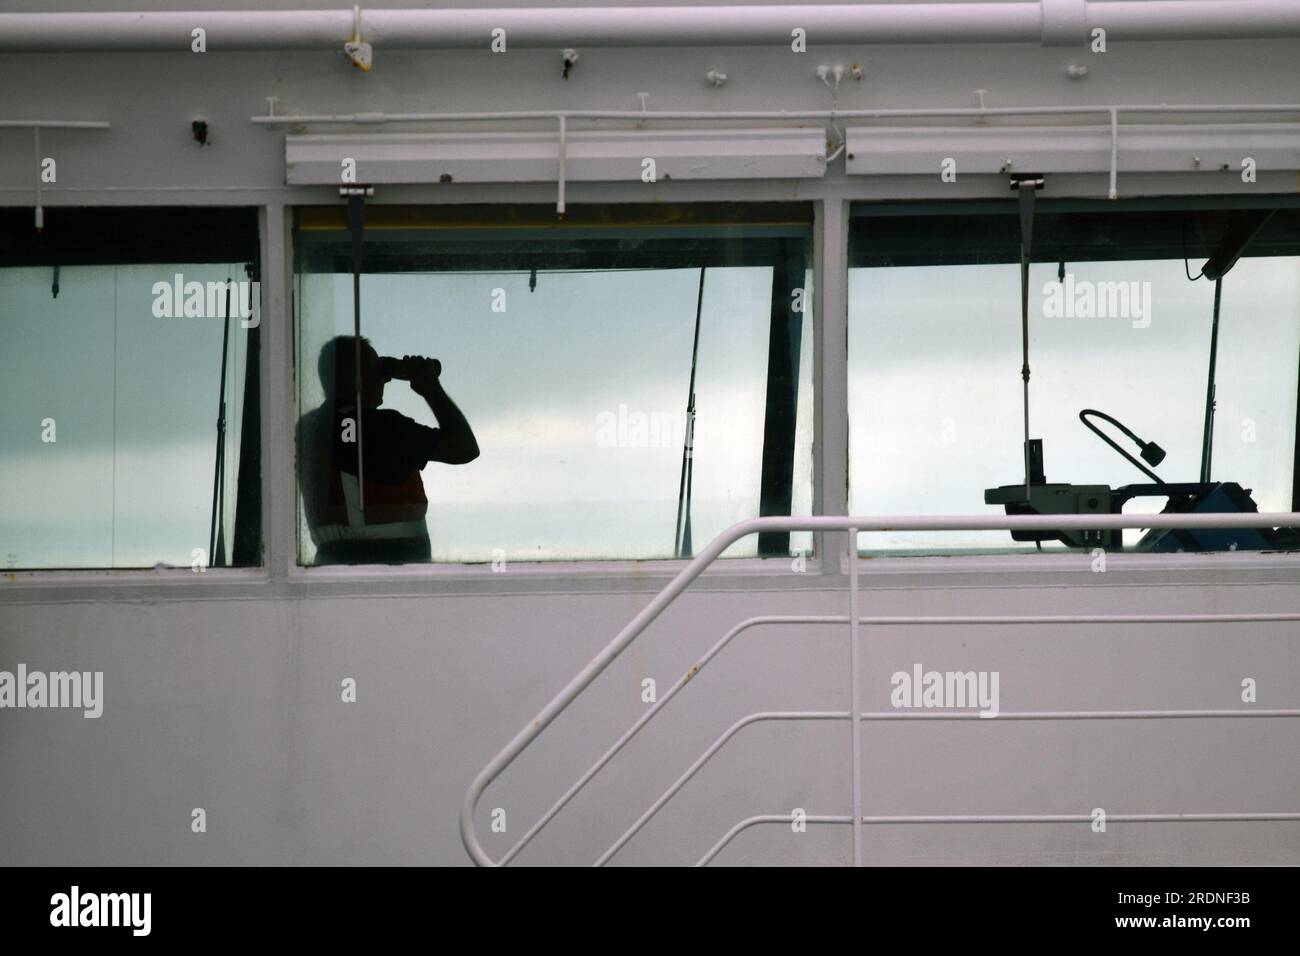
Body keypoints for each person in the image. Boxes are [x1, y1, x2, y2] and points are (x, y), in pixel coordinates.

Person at [298, 335, 479, 564]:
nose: (384, 380)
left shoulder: (308, 429)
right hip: (392, 576)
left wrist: (377, 369)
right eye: (377, 371)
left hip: (331, 568)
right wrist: (430, 387)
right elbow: (464, 448)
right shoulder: (384, 429)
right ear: (356, 380)